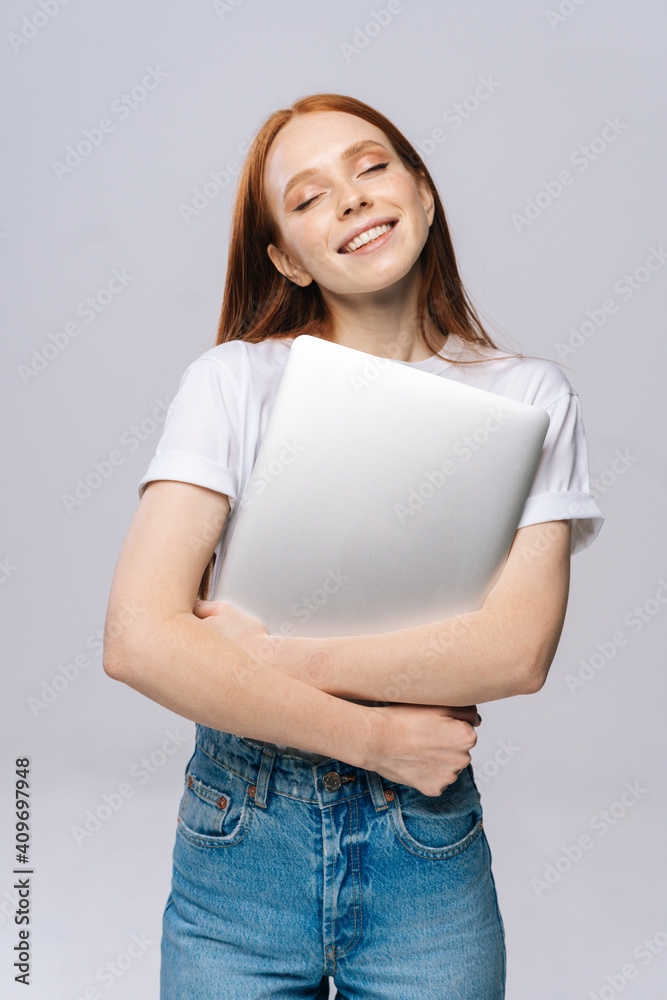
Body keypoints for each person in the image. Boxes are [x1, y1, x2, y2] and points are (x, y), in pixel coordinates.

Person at [103, 92, 604, 999]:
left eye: (371, 167)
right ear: (285, 259)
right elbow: (139, 639)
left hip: (425, 852)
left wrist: (260, 656)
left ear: (421, 191)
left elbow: (515, 651)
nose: (349, 198)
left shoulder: (529, 395)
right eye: (305, 198)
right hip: (238, 843)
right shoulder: (232, 382)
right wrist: (372, 735)